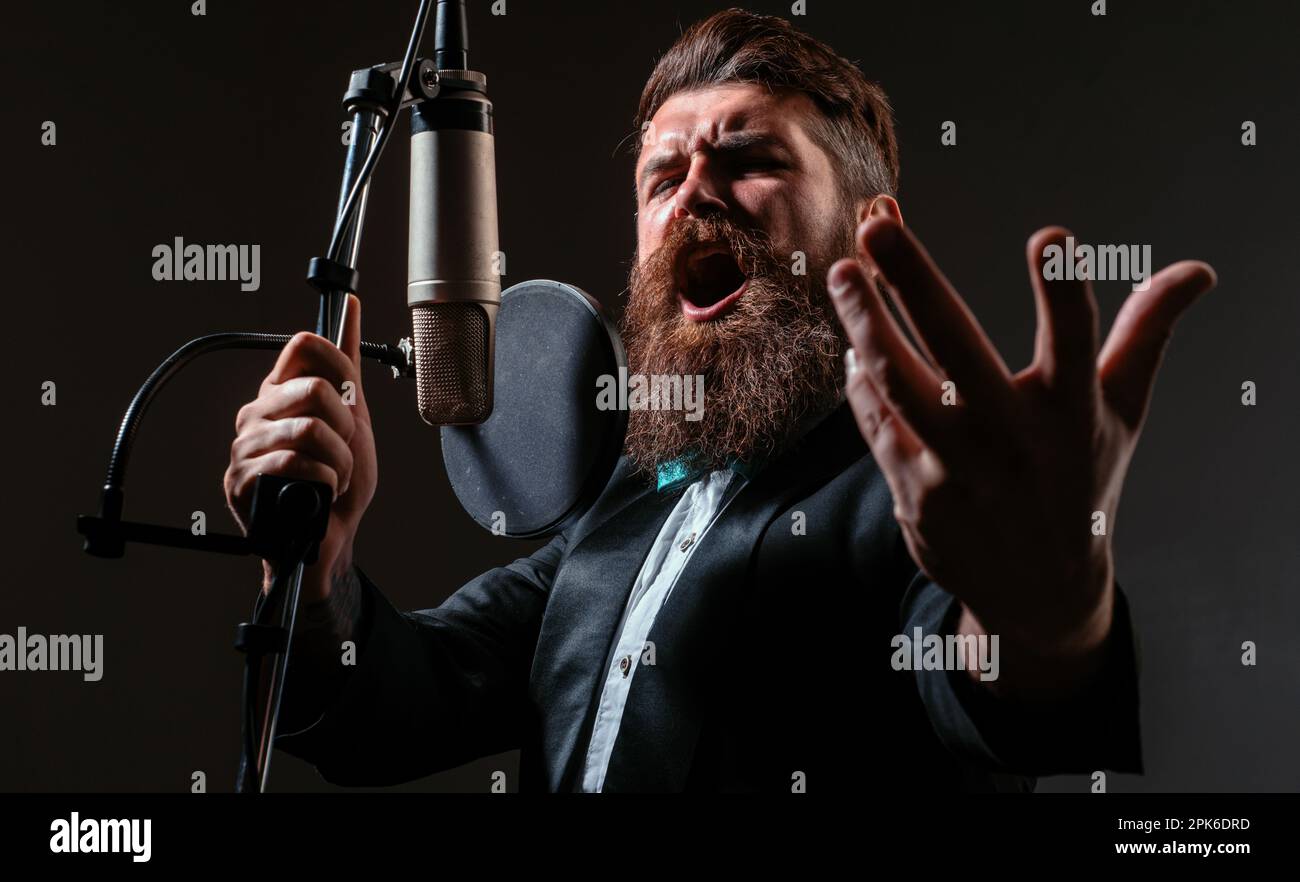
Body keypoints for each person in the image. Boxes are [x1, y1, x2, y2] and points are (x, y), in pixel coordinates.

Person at [222, 9, 1215, 792]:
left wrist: (1044, 619)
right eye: (662, 176)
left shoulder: (922, 504)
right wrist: (315, 574)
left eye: (748, 161)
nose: (692, 192)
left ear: (869, 223)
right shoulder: (614, 515)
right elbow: (396, 706)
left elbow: (990, 692)